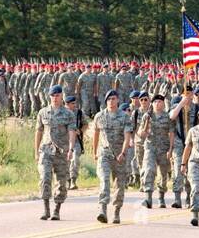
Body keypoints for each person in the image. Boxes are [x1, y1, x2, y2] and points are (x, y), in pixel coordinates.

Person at [34, 85, 79, 221]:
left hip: (62, 151)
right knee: (45, 178)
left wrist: (71, 149)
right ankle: (46, 209)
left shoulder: (68, 114)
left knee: (61, 182)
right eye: (53, 96)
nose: (55, 98)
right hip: (46, 150)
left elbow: (72, 132)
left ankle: (56, 210)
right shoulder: (43, 112)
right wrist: (36, 152)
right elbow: (39, 132)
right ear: (50, 97)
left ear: (61, 96)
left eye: (57, 95)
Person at [90, 89, 132, 224]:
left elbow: (127, 137)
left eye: (113, 99)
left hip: (119, 155)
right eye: (108, 99)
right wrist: (94, 151)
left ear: (117, 100)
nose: (111, 101)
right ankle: (102, 209)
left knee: (119, 185)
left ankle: (116, 211)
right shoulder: (99, 116)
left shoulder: (124, 117)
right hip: (105, 153)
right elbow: (96, 133)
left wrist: (123, 152)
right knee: (104, 180)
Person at [139, 93, 173, 208]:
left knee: (163, 174)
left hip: (163, 148)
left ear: (163, 104)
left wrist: (171, 149)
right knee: (149, 169)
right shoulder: (147, 116)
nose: (157, 103)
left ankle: (161, 196)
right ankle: (148, 198)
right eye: (155, 102)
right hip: (150, 147)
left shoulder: (167, 117)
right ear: (152, 104)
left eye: (160, 102)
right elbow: (141, 133)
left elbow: (171, 133)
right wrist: (144, 129)